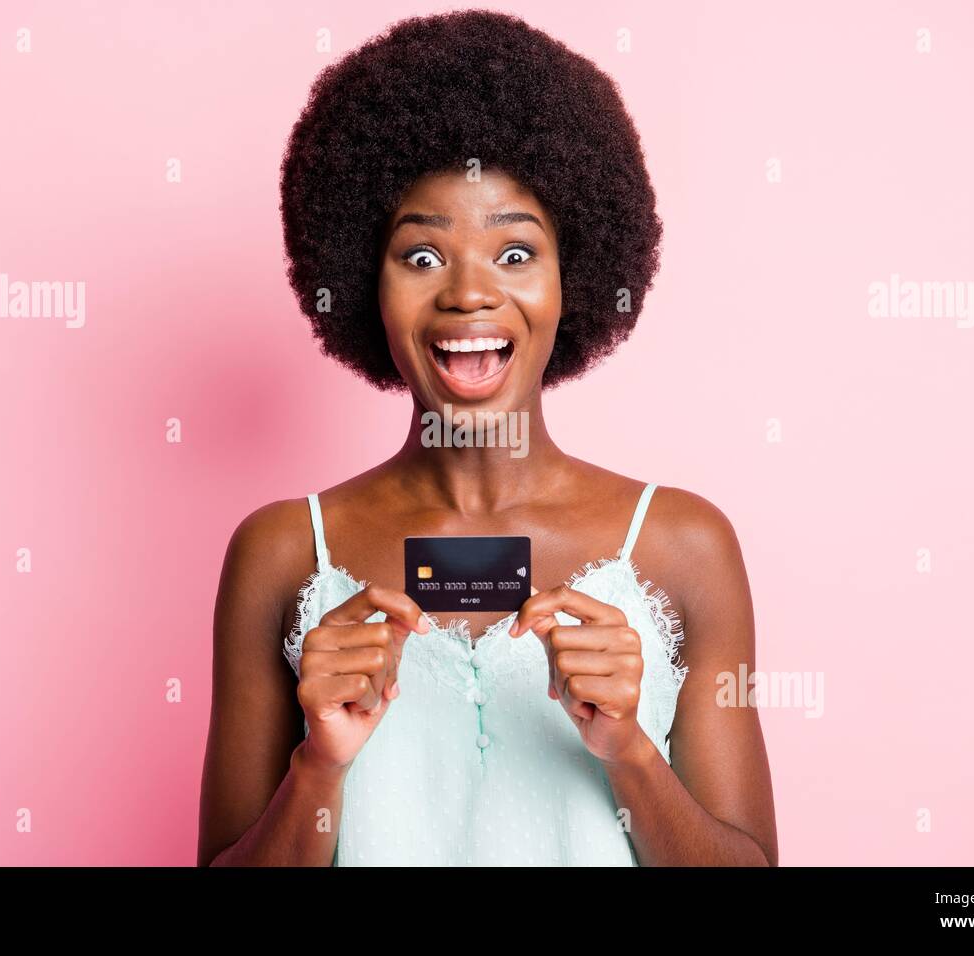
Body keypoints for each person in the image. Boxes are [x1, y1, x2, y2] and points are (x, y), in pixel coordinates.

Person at [197, 10, 777, 866]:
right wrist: (317, 767)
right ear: (364, 279)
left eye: (515, 253)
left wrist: (632, 756)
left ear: (572, 277)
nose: (470, 294)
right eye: (422, 257)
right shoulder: (282, 553)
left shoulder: (683, 545)